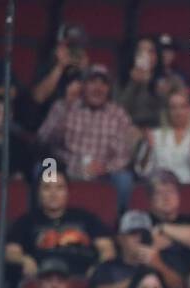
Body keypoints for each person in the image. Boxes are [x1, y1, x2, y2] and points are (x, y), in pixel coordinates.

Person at [37, 64, 135, 211]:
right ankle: (43, 217)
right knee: (43, 167)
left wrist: (105, 167)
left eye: (103, 83)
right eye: (93, 82)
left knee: (124, 179)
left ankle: (119, 223)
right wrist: (66, 107)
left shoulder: (118, 114)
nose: (98, 88)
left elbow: (124, 156)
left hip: (103, 173)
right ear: (83, 86)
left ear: (109, 89)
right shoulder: (64, 106)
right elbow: (44, 139)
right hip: (66, 168)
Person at [5, 171, 115, 279]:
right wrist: (24, 260)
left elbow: (107, 249)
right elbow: (10, 251)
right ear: (38, 192)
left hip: (81, 278)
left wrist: (98, 268)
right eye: (47, 188)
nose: (53, 194)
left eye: (59, 188)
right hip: (42, 280)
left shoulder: (86, 218)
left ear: (68, 192)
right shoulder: (26, 221)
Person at [90, 209, 180, 288]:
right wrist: (140, 280)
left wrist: (158, 264)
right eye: (133, 234)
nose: (140, 239)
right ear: (120, 238)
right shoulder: (108, 267)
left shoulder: (160, 261)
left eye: (144, 234)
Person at [134, 87, 190, 186]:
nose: (178, 112)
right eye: (173, 107)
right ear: (167, 111)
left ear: (189, 110)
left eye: (182, 107)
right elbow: (141, 172)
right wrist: (148, 150)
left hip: (187, 189)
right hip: (160, 188)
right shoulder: (154, 135)